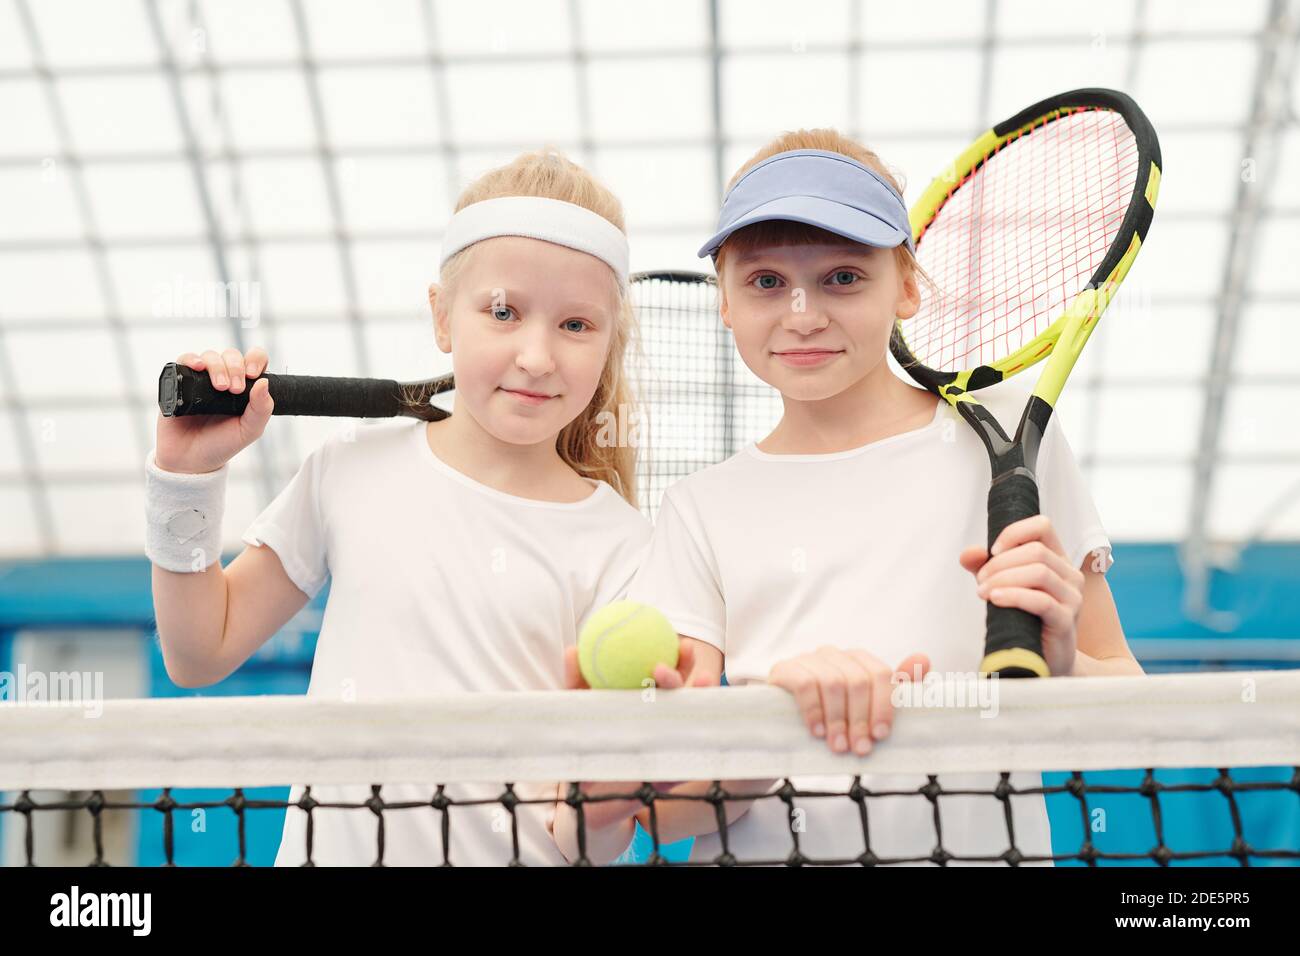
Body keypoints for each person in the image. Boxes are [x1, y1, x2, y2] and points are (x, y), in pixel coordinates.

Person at [576, 129, 1142, 866]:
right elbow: (668, 812)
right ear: (725, 302)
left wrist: (1062, 663)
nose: (803, 313)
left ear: (907, 285)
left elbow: (1130, 714)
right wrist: (777, 717)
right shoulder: (698, 508)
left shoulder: (1009, 437)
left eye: (843, 276)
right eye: (766, 281)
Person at [146, 148, 655, 865]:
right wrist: (185, 478)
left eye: (577, 325)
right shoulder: (346, 474)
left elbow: (589, 841)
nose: (538, 356)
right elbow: (197, 653)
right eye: (503, 311)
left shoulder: (623, 544)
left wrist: (603, 804)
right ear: (443, 318)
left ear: (609, 343)